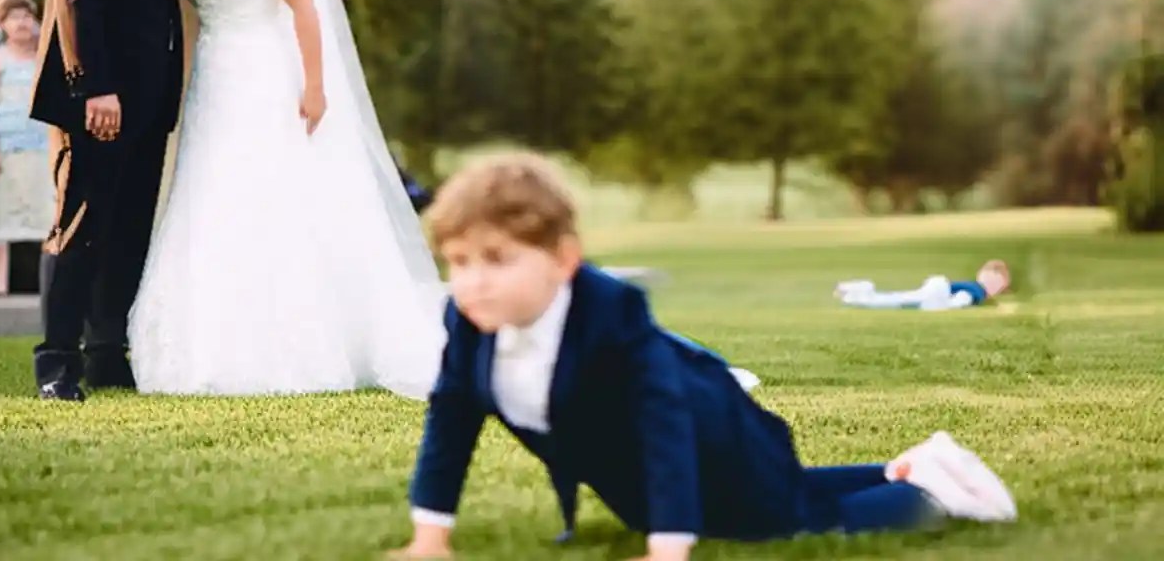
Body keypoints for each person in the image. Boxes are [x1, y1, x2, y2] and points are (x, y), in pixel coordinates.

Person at [395, 154, 1017, 561]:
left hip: (716, 436)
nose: (473, 282)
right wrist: (431, 535)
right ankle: (902, 465)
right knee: (784, 496)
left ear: (563, 260)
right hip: (635, 474)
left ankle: (936, 491)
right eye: (459, 262)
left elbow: (664, 426)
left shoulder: (613, 316)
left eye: (497, 259)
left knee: (787, 521)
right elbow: (451, 419)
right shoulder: (470, 320)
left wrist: (669, 549)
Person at [126, 0, 447, 398]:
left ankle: (286, 343)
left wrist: (316, 86)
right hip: (212, 82)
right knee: (210, 194)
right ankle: (205, 339)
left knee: (266, 195)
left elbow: (303, 3)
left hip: (262, 77)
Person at [28, 0, 189, 400]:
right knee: (78, 227)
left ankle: (105, 352)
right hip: (100, 101)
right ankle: (56, 363)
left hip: (148, 101)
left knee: (127, 229)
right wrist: (96, 87)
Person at [0, 0, 53, 295]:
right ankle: (3, 288)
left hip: (44, 150)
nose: (21, 23)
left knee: (46, 217)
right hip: (8, 153)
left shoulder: (45, 57)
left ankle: (47, 289)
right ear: (2, 24)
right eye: (13, 17)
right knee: (9, 220)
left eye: (26, 16)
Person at [834, 260, 1010, 311]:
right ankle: (859, 294)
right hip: (940, 290)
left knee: (902, 299)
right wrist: (951, 307)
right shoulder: (977, 290)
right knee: (902, 301)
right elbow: (963, 298)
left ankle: (859, 293)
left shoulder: (976, 288)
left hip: (939, 286)